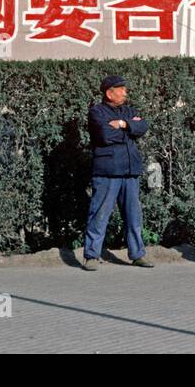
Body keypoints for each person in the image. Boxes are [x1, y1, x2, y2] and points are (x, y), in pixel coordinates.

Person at [82, 74, 153, 270]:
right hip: (107, 173)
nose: (125, 92)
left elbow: (143, 126)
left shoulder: (128, 110)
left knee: (133, 216)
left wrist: (122, 125)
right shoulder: (97, 112)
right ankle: (91, 256)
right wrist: (130, 128)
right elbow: (105, 134)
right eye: (120, 89)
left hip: (130, 172)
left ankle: (138, 254)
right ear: (109, 93)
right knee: (99, 214)